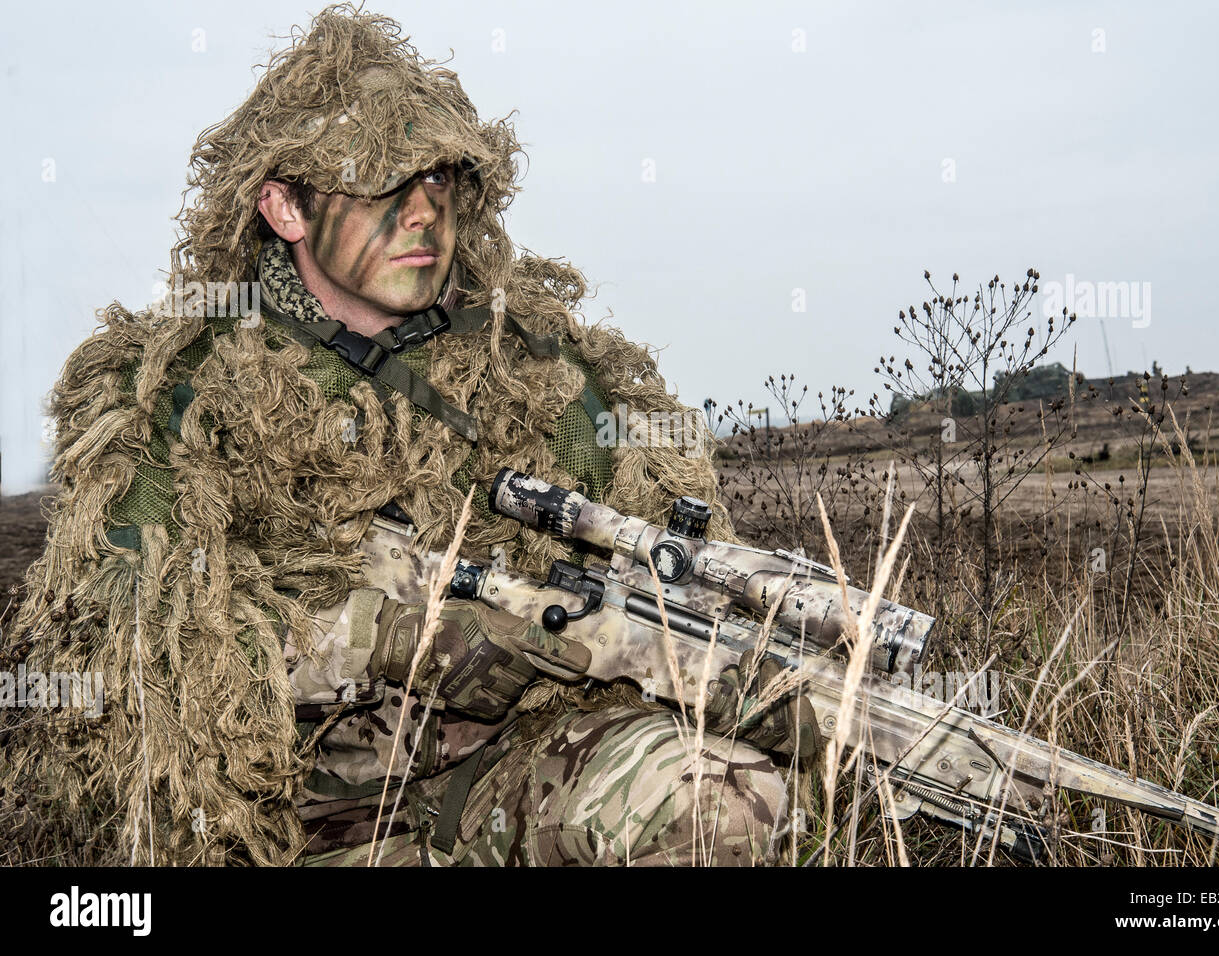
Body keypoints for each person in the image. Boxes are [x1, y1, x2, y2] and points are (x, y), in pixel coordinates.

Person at [0, 4, 817, 867]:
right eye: (383, 183)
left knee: (729, 804)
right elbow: (135, 648)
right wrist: (396, 640)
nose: (424, 213)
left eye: (440, 182)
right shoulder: (178, 389)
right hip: (284, 816)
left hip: (508, 767)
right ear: (285, 207)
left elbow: (670, 559)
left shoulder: (540, 365)